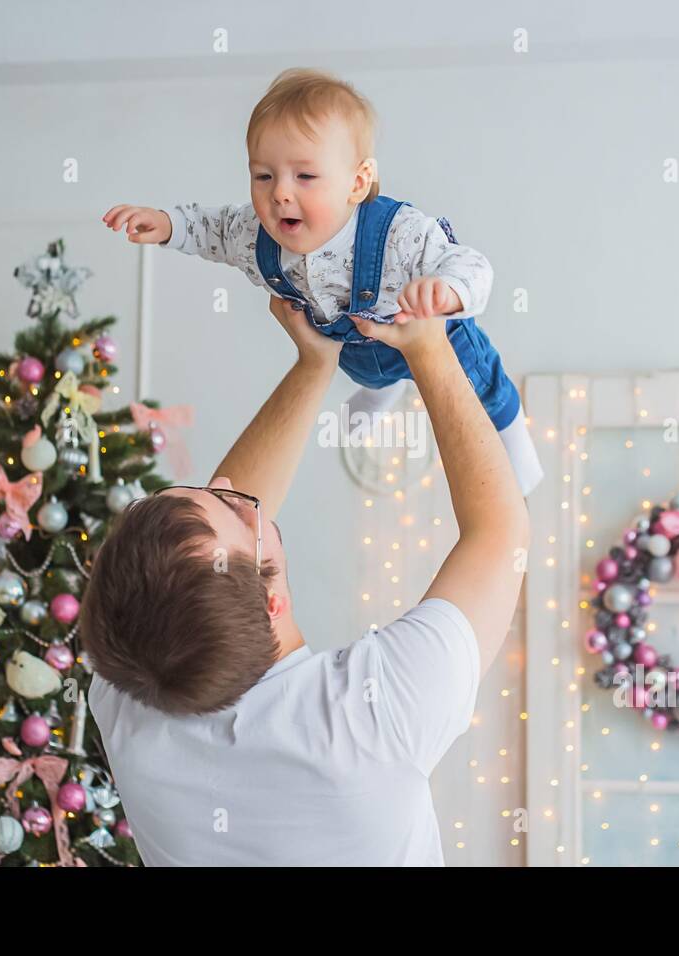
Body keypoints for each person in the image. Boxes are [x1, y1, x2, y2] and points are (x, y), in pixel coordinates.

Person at [82, 293, 531, 866]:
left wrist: (315, 362)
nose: (245, 498)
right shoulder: (369, 716)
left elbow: (222, 533)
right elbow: (500, 533)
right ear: (270, 600)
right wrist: (431, 349)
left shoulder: (128, 700)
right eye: (237, 513)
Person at [100, 66, 544, 495]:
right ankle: (380, 393)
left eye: (305, 176)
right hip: (353, 347)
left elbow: (472, 265)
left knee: (483, 382)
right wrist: (167, 224)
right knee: (366, 372)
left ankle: (519, 451)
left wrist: (446, 291)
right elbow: (211, 228)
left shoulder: (399, 233)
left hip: (433, 332)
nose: (280, 193)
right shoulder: (254, 235)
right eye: (263, 175)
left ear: (357, 182)